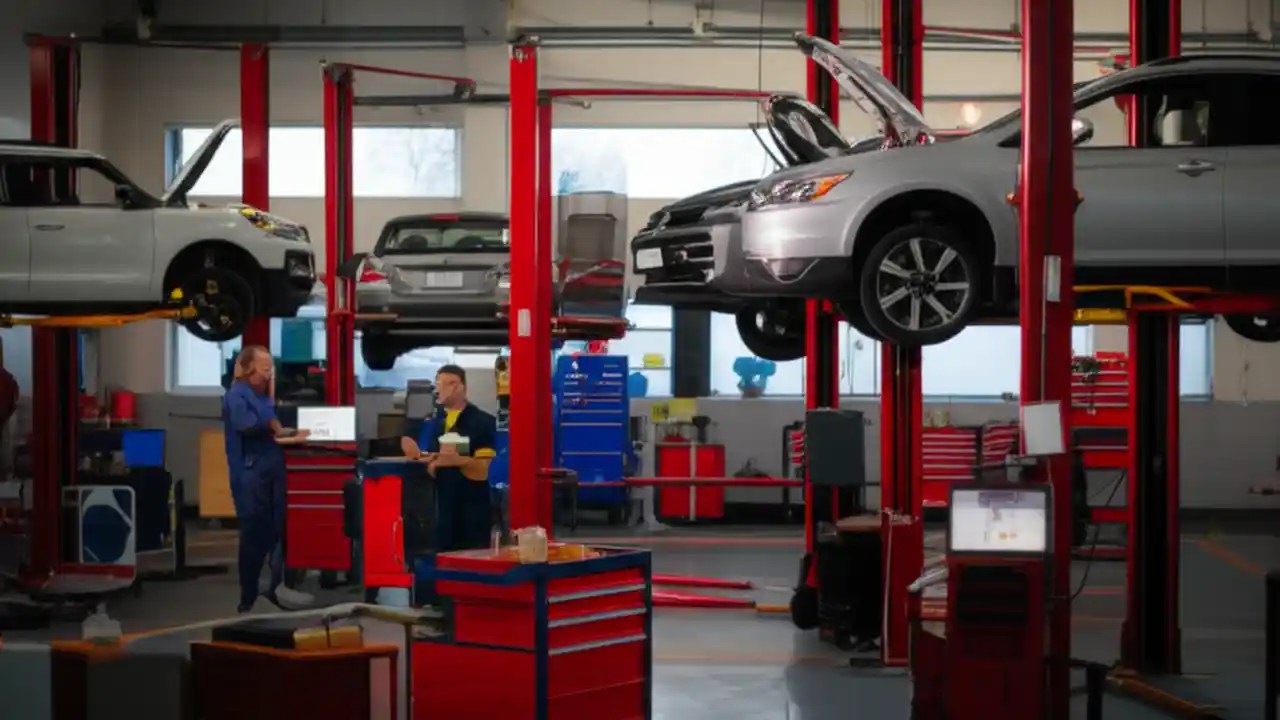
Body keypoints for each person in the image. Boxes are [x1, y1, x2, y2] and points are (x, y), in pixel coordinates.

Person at [222, 345, 313, 613]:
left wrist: (291, 432)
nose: (269, 372)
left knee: (276, 531)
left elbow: (272, 421)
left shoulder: (261, 395)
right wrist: (278, 432)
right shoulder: (236, 395)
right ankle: (249, 596)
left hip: (272, 470)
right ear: (249, 368)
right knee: (254, 535)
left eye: (270, 367)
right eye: (264, 367)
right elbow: (248, 425)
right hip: (250, 474)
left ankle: (274, 588)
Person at [403, 365, 497, 551]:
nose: (440, 389)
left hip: (472, 511)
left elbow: (483, 469)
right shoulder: (435, 423)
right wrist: (421, 457)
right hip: (442, 510)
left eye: (448, 384)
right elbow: (431, 455)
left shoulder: (482, 422)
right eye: (438, 384)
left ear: (460, 387)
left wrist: (455, 460)